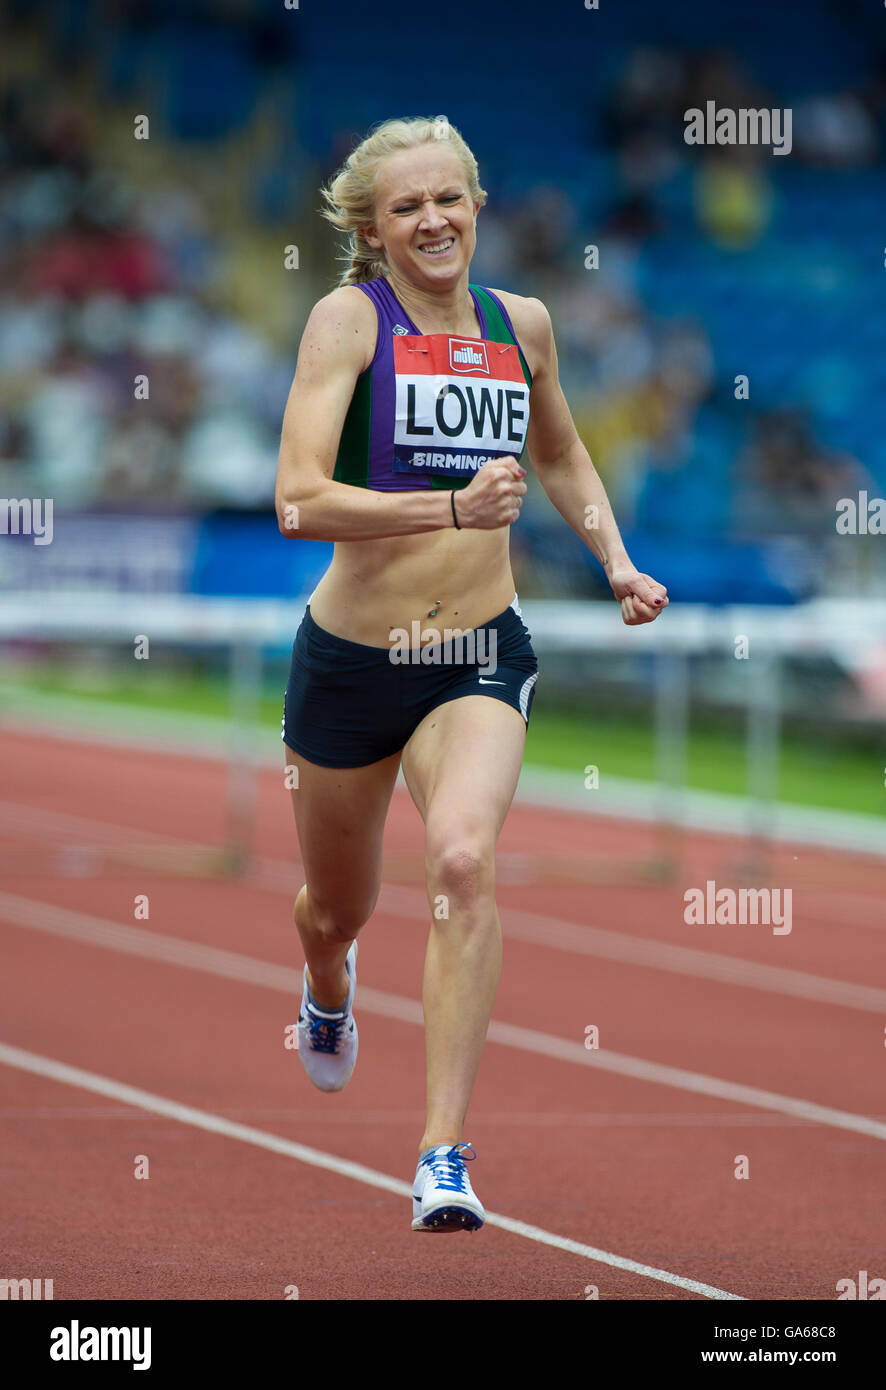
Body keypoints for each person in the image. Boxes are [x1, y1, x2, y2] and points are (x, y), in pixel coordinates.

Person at [275, 116, 668, 1233]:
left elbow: (557, 451)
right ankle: (326, 986)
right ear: (372, 227)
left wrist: (615, 559)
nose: (432, 220)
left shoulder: (522, 324)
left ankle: (441, 1153)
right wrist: (444, 504)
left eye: (448, 198)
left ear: (478, 204)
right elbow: (298, 497)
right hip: (353, 659)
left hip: (477, 650)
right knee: (331, 910)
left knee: (460, 859)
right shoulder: (348, 321)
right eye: (406, 207)